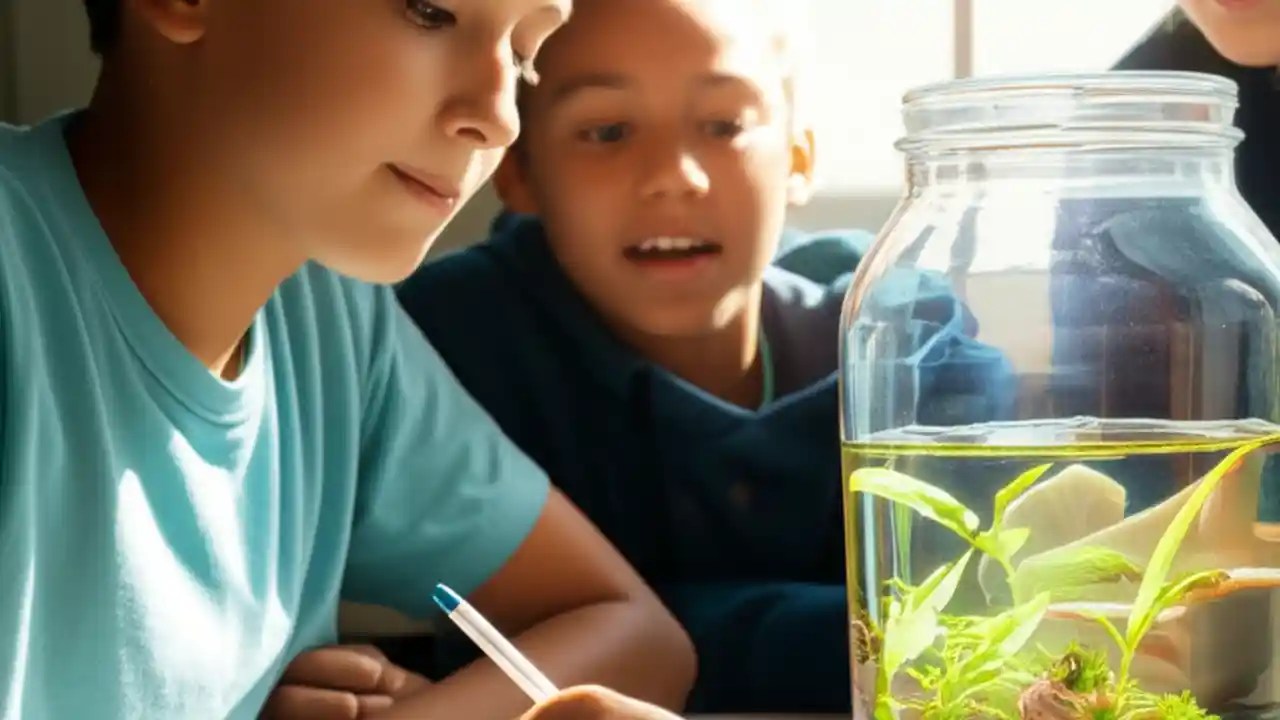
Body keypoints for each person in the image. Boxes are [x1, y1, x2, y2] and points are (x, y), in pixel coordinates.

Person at [0, 0, 701, 717]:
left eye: (524, 53)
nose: (500, 116)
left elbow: (638, 638)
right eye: (431, 13)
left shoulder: (330, 322)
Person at [394, 0, 1016, 712]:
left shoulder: (909, 345)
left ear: (799, 158)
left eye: (723, 126)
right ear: (518, 170)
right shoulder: (457, 341)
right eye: (607, 131)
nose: (675, 175)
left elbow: (981, 624)